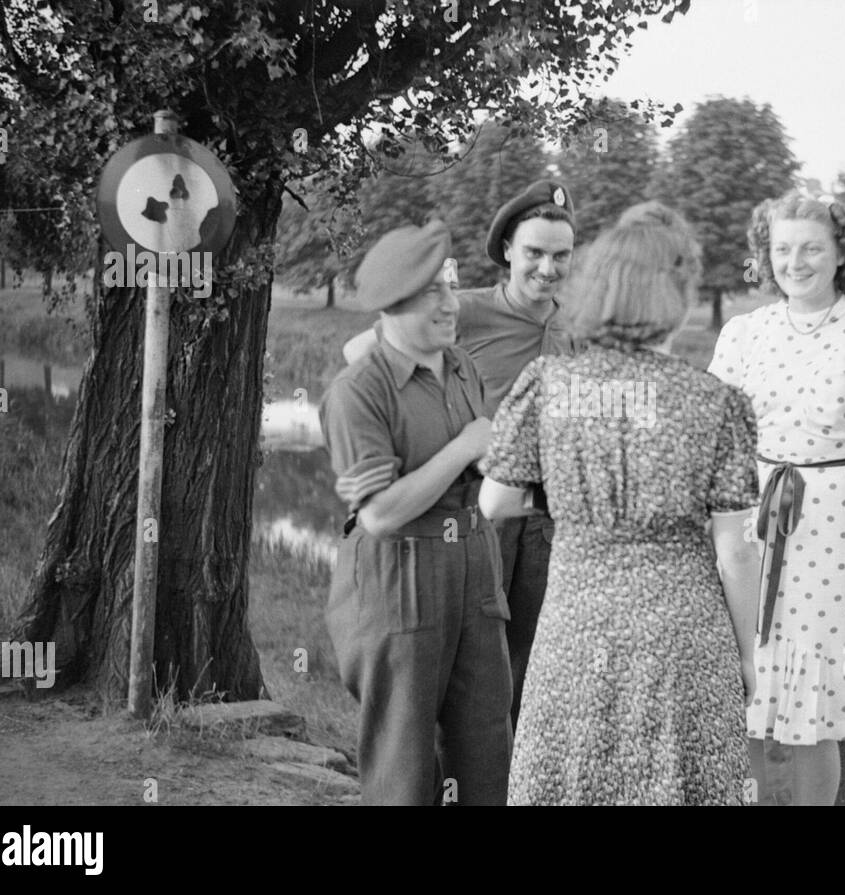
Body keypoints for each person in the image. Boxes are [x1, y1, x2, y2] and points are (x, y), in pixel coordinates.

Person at [477, 202, 761, 805]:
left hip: (578, 626)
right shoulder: (716, 403)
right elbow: (735, 552)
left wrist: (574, 497)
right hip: (685, 635)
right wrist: (747, 657)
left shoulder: (550, 383)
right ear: (677, 293)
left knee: (575, 778)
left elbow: (495, 501)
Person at [344, 180, 576, 730]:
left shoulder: (579, 328)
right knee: (469, 667)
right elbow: (361, 354)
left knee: (534, 660)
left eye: (561, 255)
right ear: (507, 254)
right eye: (534, 253)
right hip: (474, 515)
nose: (547, 268)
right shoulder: (463, 312)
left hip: (549, 518)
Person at [708, 189, 845, 806]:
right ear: (766, 255)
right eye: (783, 248)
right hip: (752, 520)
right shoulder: (743, 332)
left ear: (841, 251)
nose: (797, 261)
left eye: (812, 248)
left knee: (814, 702)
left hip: (836, 523)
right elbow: (712, 433)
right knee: (753, 687)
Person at [319, 220, 513, 805]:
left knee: (485, 745)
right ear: (393, 302)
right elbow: (378, 514)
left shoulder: (462, 368)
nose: (451, 305)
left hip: (474, 568)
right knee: (403, 761)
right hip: (399, 577)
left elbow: (486, 465)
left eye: (452, 288)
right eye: (434, 293)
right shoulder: (359, 391)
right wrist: (464, 448)